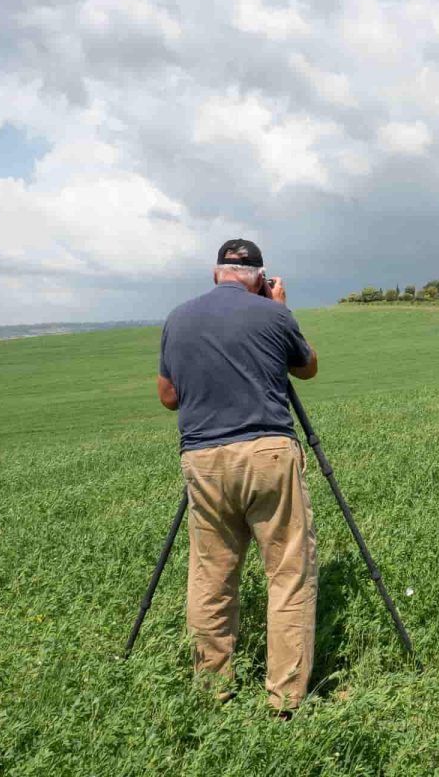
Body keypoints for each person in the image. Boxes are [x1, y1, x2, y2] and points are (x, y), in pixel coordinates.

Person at [157, 239, 319, 714]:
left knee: (211, 577)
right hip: (268, 452)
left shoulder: (177, 318)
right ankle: (285, 700)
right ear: (261, 280)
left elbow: (168, 398)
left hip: (203, 460)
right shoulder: (273, 314)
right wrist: (282, 310)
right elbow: (306, 368)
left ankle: (213, 691)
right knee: (288, 574)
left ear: (215, 275)